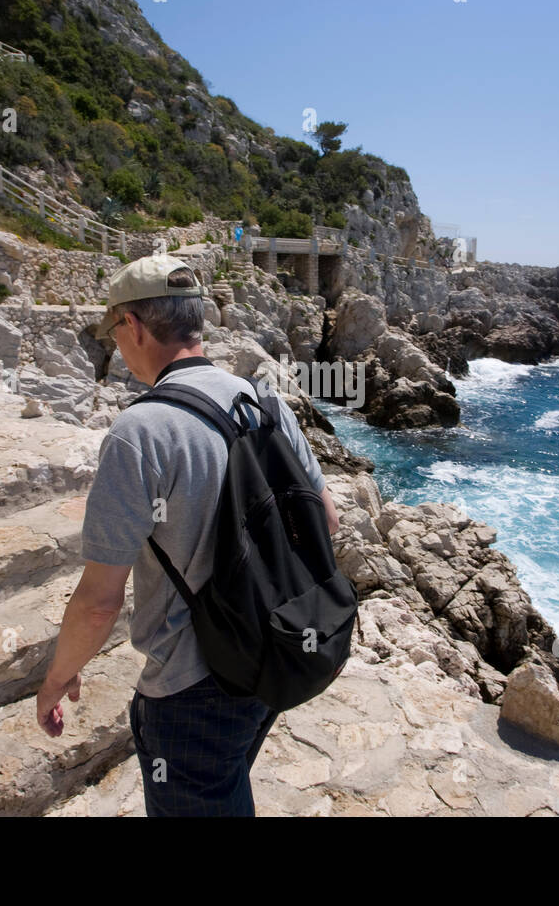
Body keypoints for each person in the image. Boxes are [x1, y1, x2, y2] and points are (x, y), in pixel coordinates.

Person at [35, 253, 340, 816]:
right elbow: (326, 521)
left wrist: (58, 677)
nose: (116, 347)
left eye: (114, 332)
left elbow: (101, 603)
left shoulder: (139, 432)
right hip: (272, 652)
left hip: (192, 685)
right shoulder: (265, 400)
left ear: (133, 325)